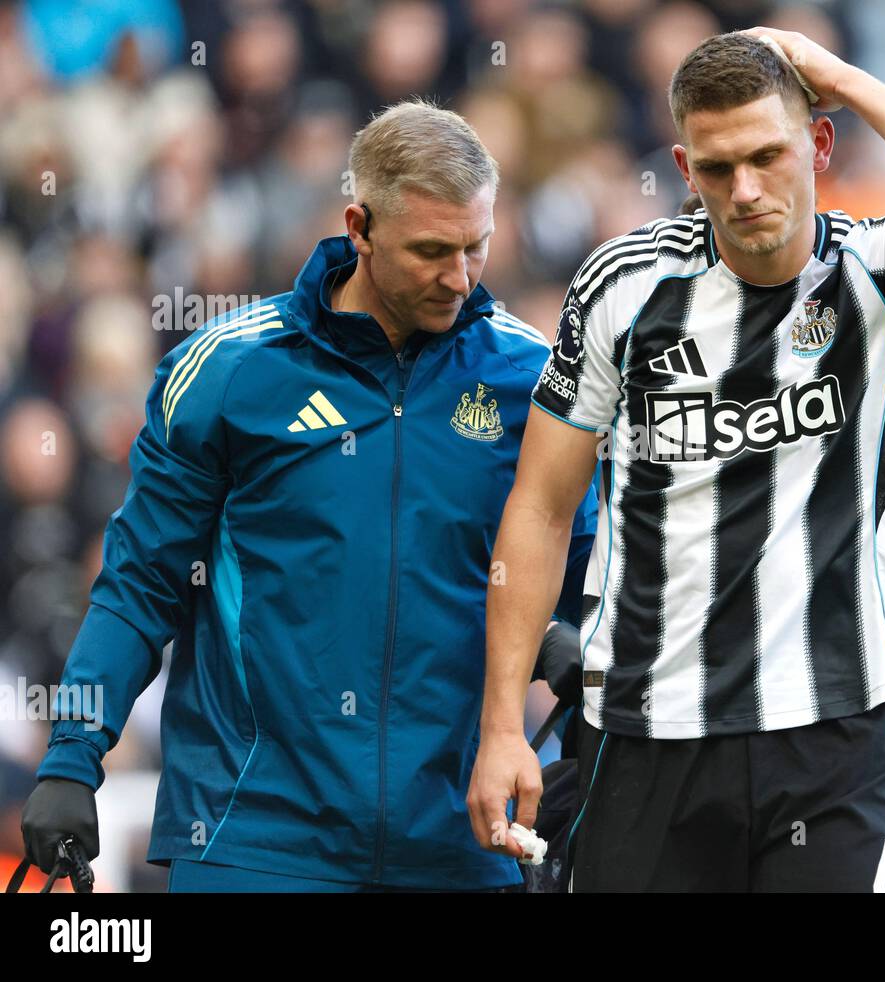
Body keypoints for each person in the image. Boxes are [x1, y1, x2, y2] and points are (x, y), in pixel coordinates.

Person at [468, 28, 885, 891]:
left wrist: (838, 77)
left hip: (837, 741)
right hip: (648, 736)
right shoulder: (625, 288)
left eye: (770, 155)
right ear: (687, 173)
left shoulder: (880, 276)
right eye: (718, 169)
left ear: (820, 143)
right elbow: (540, 508)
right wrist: (505, 724)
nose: (747, 189)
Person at [20, 98, 596, 892]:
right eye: (430, 250)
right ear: (358, 227)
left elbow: (588, 575)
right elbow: (139, 583)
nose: (459, 278)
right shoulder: (229, 371)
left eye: (477, 246)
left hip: (463, 840)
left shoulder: (534, 381)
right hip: (255, 837)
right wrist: (72, 756)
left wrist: (565, 635)